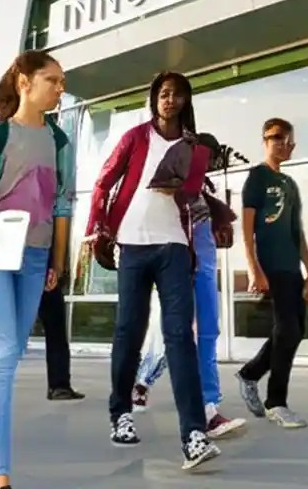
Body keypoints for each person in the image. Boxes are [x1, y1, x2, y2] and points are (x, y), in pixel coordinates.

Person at [85, 72, 221, 470]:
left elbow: (193, 196)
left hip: (173, 246)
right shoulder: (135, 137)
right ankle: (120, 413)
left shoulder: (193, 147)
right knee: (129, 331)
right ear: (154, 98)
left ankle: (194, 434)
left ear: (186, 102)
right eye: (164, 93)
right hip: (132, 243)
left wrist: (194, 196)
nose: (169, 100)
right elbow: (103, 182)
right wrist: (97, 228)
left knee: (180, 336)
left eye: (177, 95)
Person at [0, 50, 75, 489]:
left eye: (62, 81)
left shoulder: (60, 140)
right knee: (5, 356)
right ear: (24, 82)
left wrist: (58, 261)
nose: (60, 88)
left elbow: (62, 203)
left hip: (36, 256)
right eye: (52, 80)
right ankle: (0, 477)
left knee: (9, 353)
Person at [132, 133, 246, 439]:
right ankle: (148, 384)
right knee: (175, 335)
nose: (206, 163)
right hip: (179, 267)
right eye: (203, 156)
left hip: (205, 269)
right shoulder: (171, 187)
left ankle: (208, 408)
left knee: (208, 331)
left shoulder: (205, 190)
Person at [235, 118, 308, 430]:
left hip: (291, 267)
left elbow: (298, 232)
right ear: (265, 140)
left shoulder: (290, 184)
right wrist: (253, 268)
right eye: (276, 138)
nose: (283, 144)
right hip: (270, 266)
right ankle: (276, 402)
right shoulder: (257, 177)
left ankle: (250, 374)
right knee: (287, 329)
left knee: (295, 331)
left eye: (288, 140)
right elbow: (247, 229)